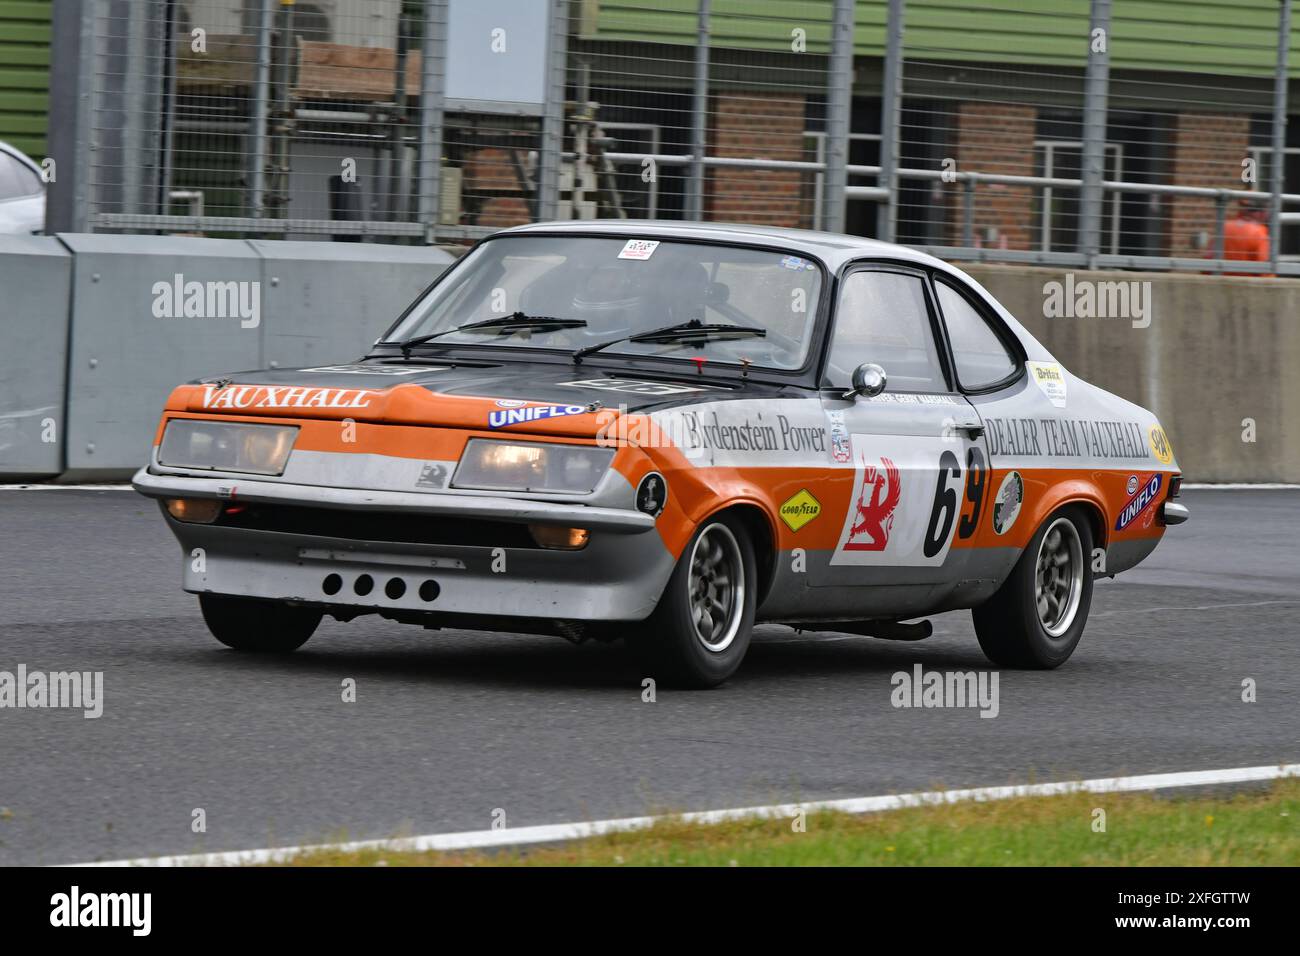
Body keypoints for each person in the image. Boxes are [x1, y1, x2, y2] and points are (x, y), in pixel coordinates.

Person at [1219, 195, 1271, 276]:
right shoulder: (1259, 233)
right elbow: (1265, 270)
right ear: (1262, 213)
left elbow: (1207, 261)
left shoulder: (1224, 228)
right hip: (1248, 284)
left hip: (1220, 281)